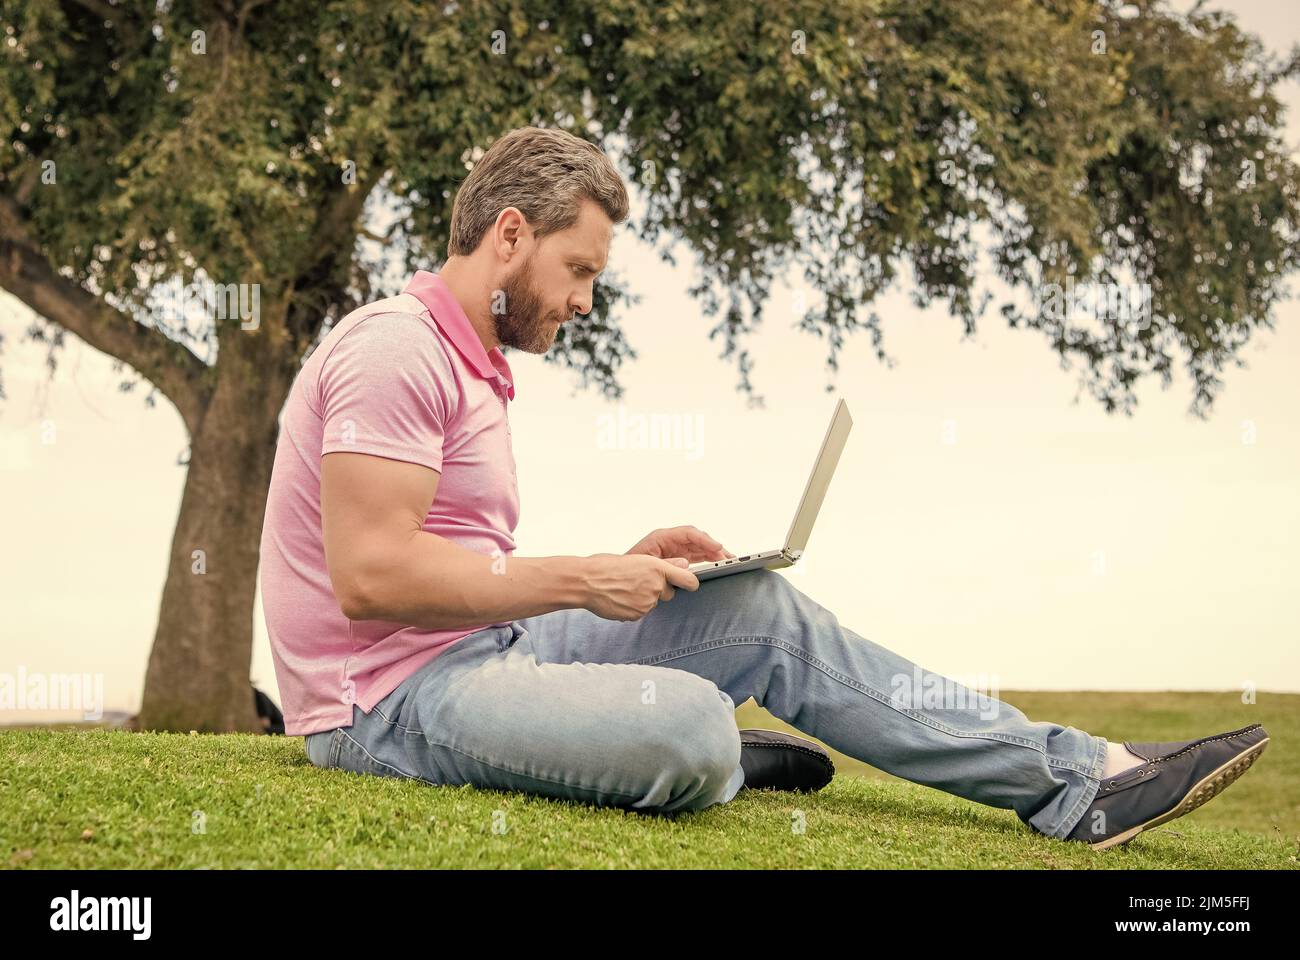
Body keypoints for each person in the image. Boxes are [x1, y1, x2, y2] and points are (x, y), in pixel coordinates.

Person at [258, 126, 1268, 851]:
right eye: (578, 270)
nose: (580, 302)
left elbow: (456, 560)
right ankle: (721, 756)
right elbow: (374, 576)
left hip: (487, 652)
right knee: (692, 730)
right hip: (383, 706)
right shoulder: (397, 349)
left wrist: (625, 561)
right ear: (510, 237)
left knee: (757, 608)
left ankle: (1076, 779)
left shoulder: (473, 364)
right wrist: (581, 580)